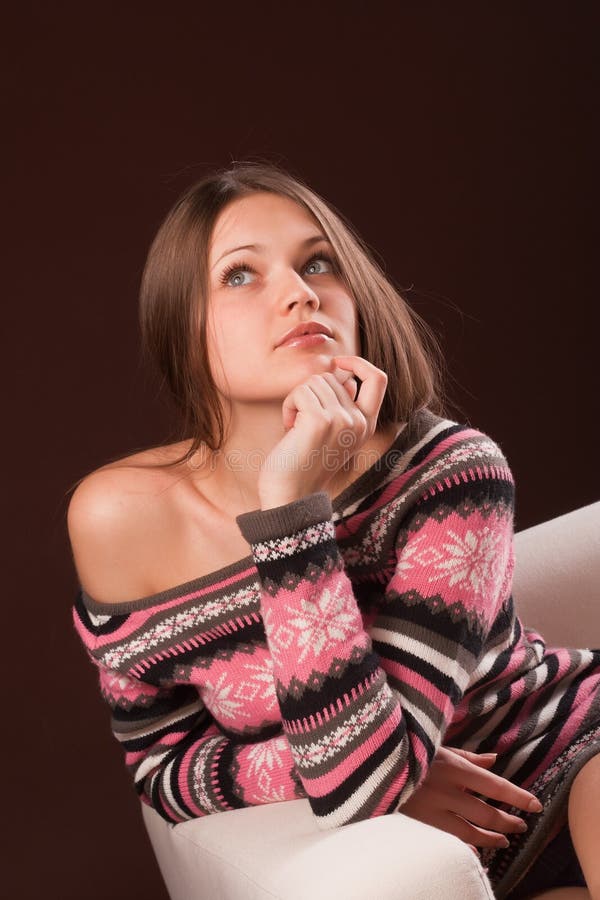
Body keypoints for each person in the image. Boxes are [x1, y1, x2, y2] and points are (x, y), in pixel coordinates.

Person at [67, 160, 599, 899]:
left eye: (318, 263)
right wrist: (331, 762)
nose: (299, 292)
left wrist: (290, 517)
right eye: (241, 276)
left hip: (566, 758)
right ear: (182, 327)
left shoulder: (450, 472)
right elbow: (164, 765)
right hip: (423, 858)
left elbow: (368, 778)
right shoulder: (119, 515)